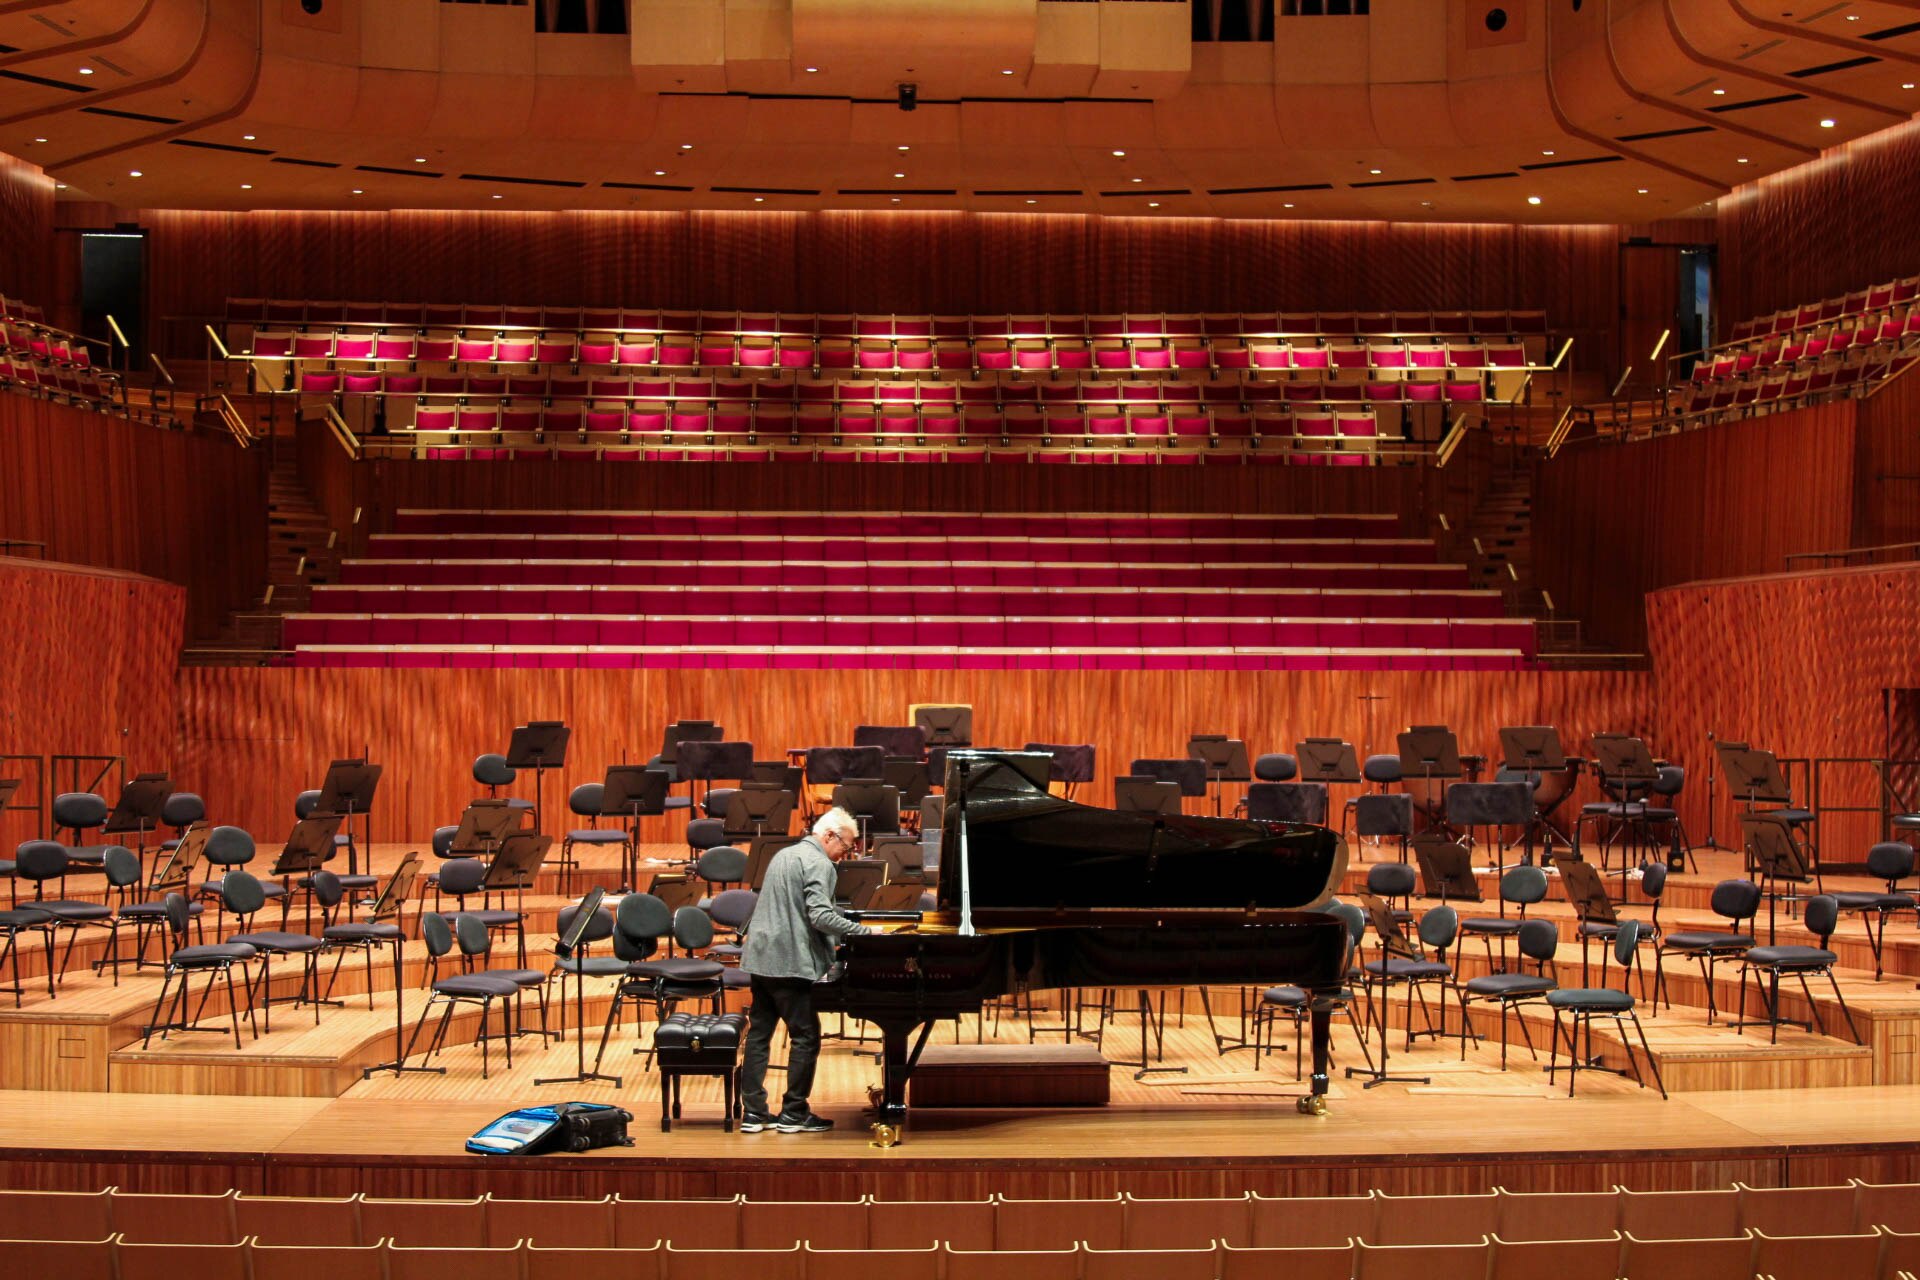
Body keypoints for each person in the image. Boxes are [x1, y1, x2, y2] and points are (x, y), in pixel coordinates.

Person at [737, 806, 872, 1133]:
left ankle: (754, 1113)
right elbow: (820, 918)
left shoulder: (784, 855)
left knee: (759, 1035)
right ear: (828, 836)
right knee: (806, 1037)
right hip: (790, 962)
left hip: (761, 958)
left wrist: (846, 915)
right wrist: (864, 932)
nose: (846, 854)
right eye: (847, 846)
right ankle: (793, 1113)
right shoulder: (820, 862)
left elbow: (798, 904)